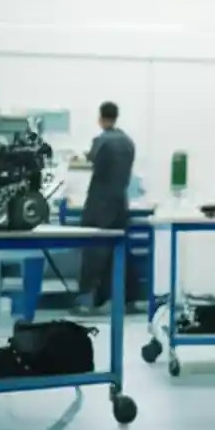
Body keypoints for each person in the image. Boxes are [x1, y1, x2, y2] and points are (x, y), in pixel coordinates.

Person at [76, 102, 137, 314]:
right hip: (120, 204)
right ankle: (123, 300)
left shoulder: (102, 141)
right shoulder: (128, 142)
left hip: (99, 206)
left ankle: (87, 301)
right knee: (119, 253)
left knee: (93, 253)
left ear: (101, 118)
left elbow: (92, 161)